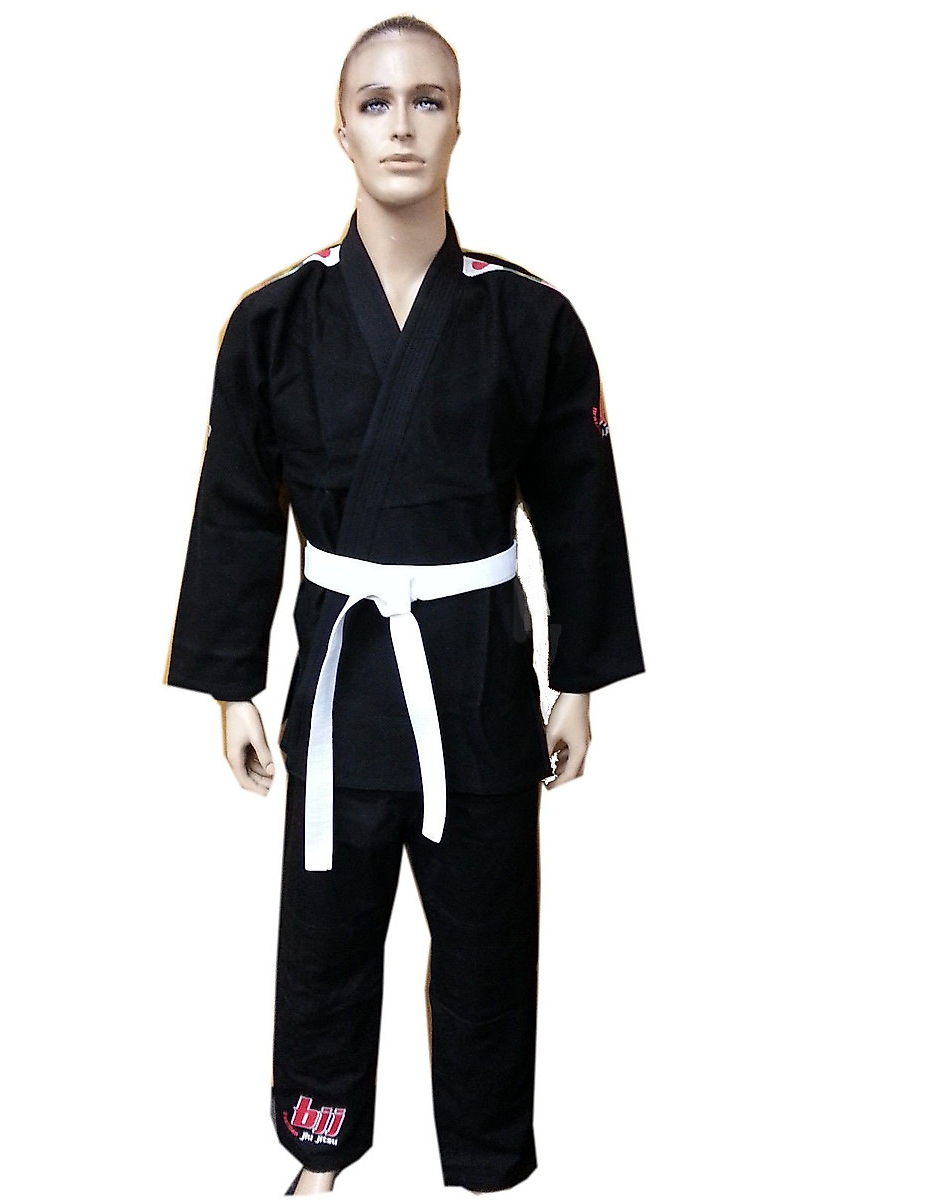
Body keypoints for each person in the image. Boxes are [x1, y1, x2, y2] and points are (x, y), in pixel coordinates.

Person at [164, 14, 645, 1194]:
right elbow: (236, 506)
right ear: (338, 129)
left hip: (479, 674)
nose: (401, 126)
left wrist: (578, 681)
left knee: (490, 937)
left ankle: (483, 1164)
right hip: (342, 681)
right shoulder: (275, 320)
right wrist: (232, 686)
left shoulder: (530, 318)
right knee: (326, 932)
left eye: (427, 100)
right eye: (374, 103)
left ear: (460, 123)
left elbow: (579, 505)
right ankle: (319, 1149)